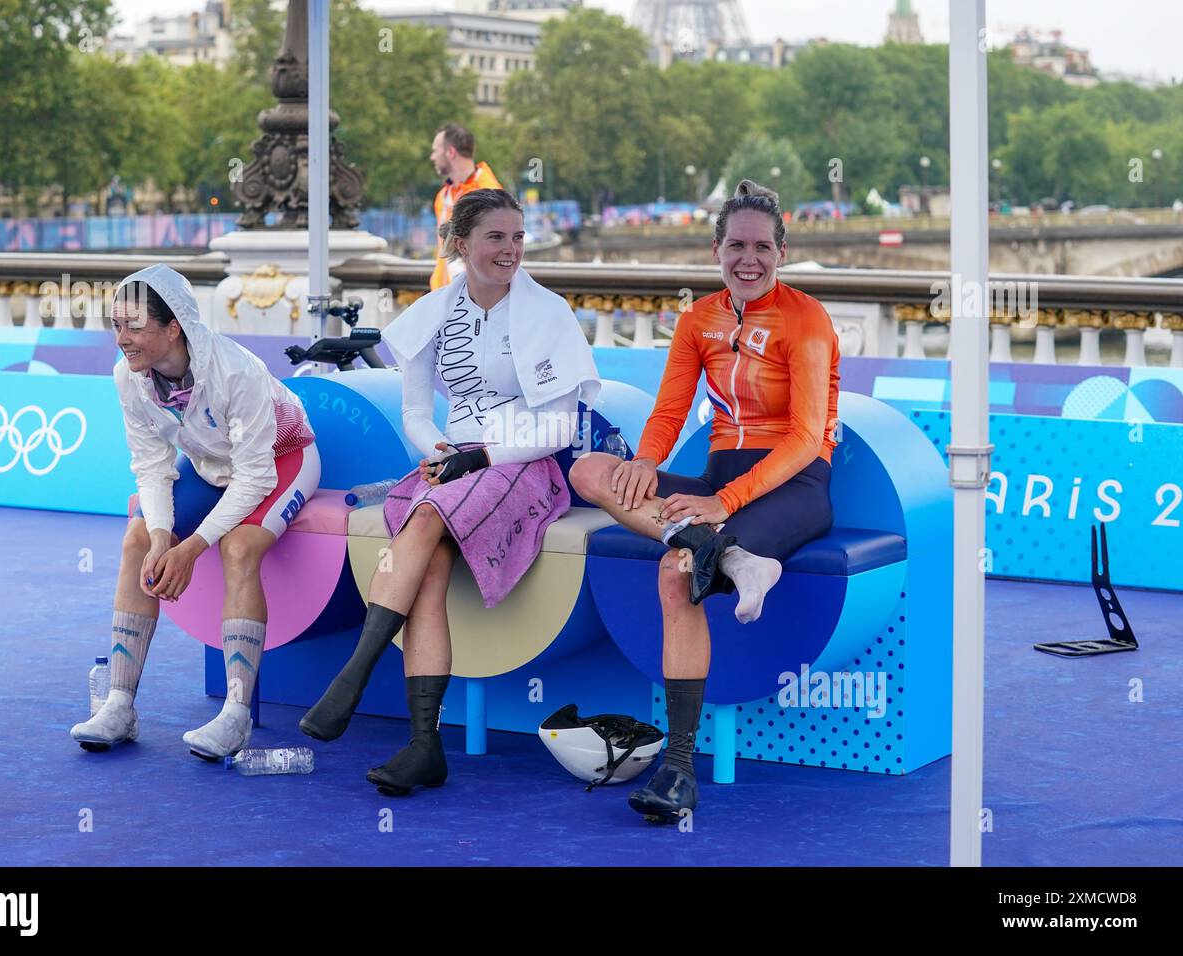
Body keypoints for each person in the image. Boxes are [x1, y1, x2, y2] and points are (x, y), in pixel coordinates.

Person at [300, 188, 600, 795]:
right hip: (453, 466)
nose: (511, 250)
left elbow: (560, 429)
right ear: (460, 243)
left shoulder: (549, 313)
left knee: (427, 514)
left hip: (526, 464)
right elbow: (415, 413)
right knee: (428, 560)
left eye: (518, 237)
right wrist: (439, 451)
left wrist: (482, 455)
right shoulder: (432, 314)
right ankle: (424, 747)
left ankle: (352, 675)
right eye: (496, 237)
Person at [569, 180, 841, 822]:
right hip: (720, 483)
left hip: (793, 487)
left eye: (763, 248)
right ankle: (719, 550)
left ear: (781, 253)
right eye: (737, 246)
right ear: (716, 249)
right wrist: (643, 464)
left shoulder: (807, 318)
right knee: (589, 471)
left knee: (678, 574)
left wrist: (725, 502)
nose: (750, 260)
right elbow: (668, 412)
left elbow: (805, 439)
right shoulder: (698, 320)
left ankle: (678, 770)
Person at [69, 264, 319, 760]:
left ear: (173, 328)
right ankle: (119, 705)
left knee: (240, 546)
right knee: (138, 537)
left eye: (134, 327)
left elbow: (254, 477)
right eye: (116, 324)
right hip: (211, 465)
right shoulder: (129, 375)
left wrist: (192, 548)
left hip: (282, 459)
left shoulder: (236, 370)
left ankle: (236, 715)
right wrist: (163, 538)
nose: (122, 339)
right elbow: (151, 465)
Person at [429, 123, 502, 290]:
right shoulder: (443, 196)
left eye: (435, 151)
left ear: (451, 152)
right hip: (446, 297)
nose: (432, 157)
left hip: (475, 300)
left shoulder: (490, 194)